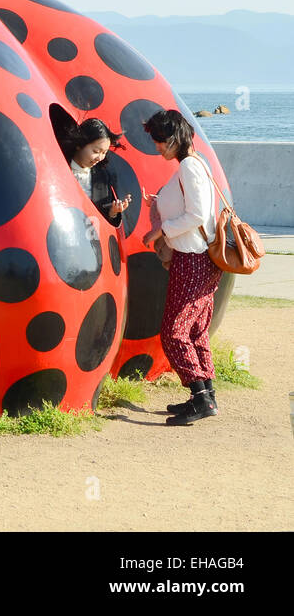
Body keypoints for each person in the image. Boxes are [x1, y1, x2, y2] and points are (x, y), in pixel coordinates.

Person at [139, 109, 220, 426]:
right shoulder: (194, 163)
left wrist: (160, 230)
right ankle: (206, 394)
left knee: (173, 333)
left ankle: (200, 398)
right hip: (199, 257)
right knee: (196, 330)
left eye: (160, 141)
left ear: (174, 139)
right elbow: (189, 207)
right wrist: (158, 203)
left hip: (193, 257)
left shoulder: (189, 166)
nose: (158, 147)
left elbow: (197, 215)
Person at [61, 117, 132, 227]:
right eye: (96, 151)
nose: (100, 157)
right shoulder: (59, 162)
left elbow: (102, 218)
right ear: (80, 144)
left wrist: (113, 212)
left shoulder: (102, 177)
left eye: (104, 153)